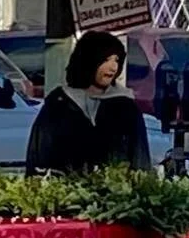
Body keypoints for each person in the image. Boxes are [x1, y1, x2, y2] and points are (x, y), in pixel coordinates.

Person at [25, 29, 153, 174]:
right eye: (105, 60)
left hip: (116, 194)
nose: (112, 67)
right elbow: (39, 156)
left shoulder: (126, 107)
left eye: (116, 60)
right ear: (88, 61)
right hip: (66, 192)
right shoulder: (59, 104)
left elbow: (140, 159)